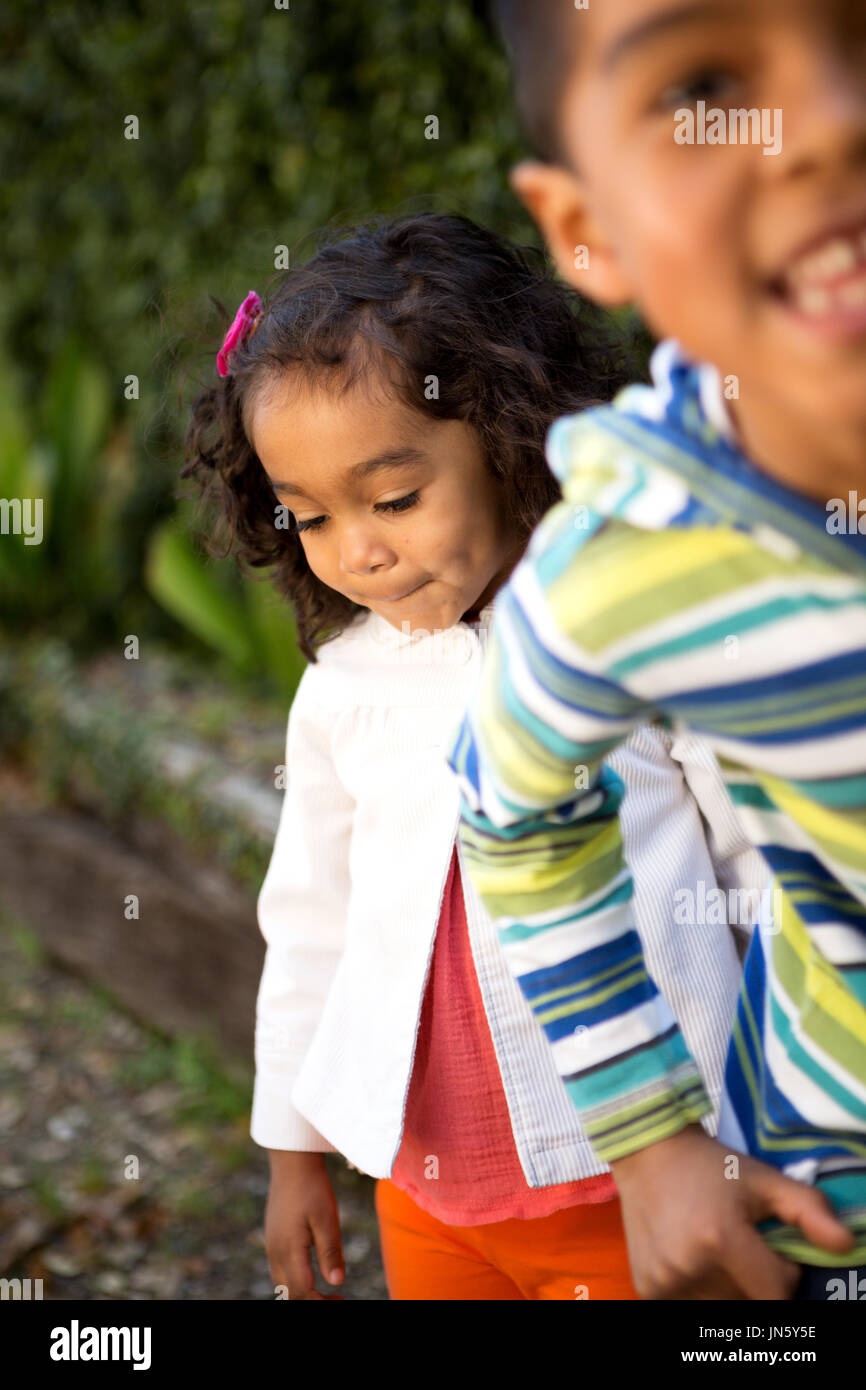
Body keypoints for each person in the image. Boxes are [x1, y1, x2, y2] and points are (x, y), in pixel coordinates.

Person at [182, 212, 766, 1300]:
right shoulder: (345, 686)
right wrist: (292, 1153)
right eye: (307, 517)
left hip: (640, 1166)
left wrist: (783, 1107)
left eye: (394, 499)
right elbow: (309, 923)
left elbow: (753, 859)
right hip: (428, 1193)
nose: (357, 548)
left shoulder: (624, 632)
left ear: (506, 435)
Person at [446, 0, 866, 1301]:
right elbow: (512, 813)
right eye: (698, 92)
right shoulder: (626, 561)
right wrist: (647, 1140)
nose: (828, 123)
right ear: (585, 229)